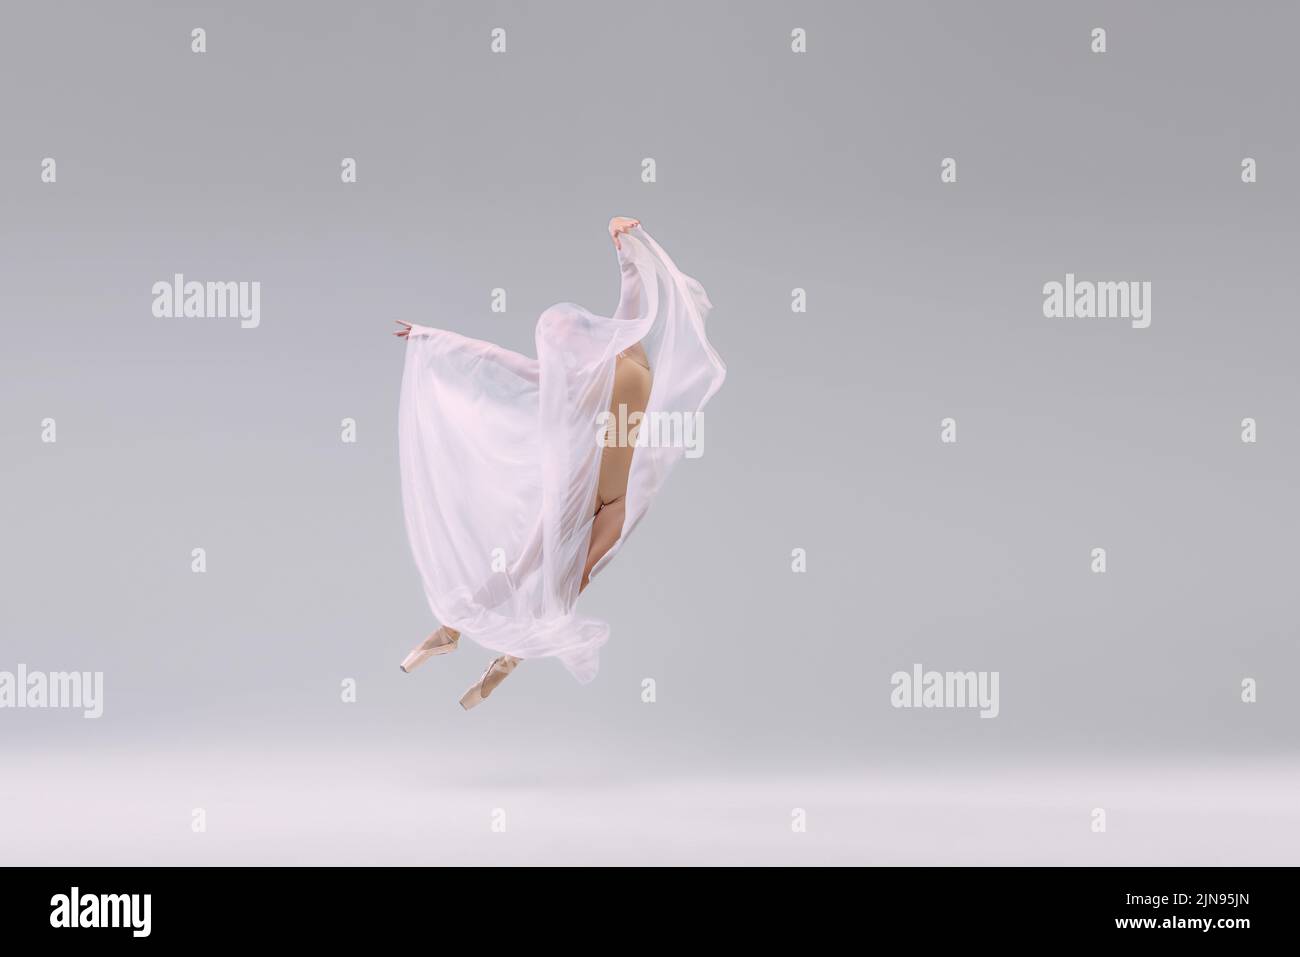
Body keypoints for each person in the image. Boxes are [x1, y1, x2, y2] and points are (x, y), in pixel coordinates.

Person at [393, 218, 724, 708]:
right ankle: (448, 631)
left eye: (572, 333)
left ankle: (507, 659)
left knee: (569, 586)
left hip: (625, 496)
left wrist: (620, 242)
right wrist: (432, 338)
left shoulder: (625, 347)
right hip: (581, 487)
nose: (567, 345)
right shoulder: (568, 379)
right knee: (525, 566)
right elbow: (496, 358)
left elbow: (632, 289)